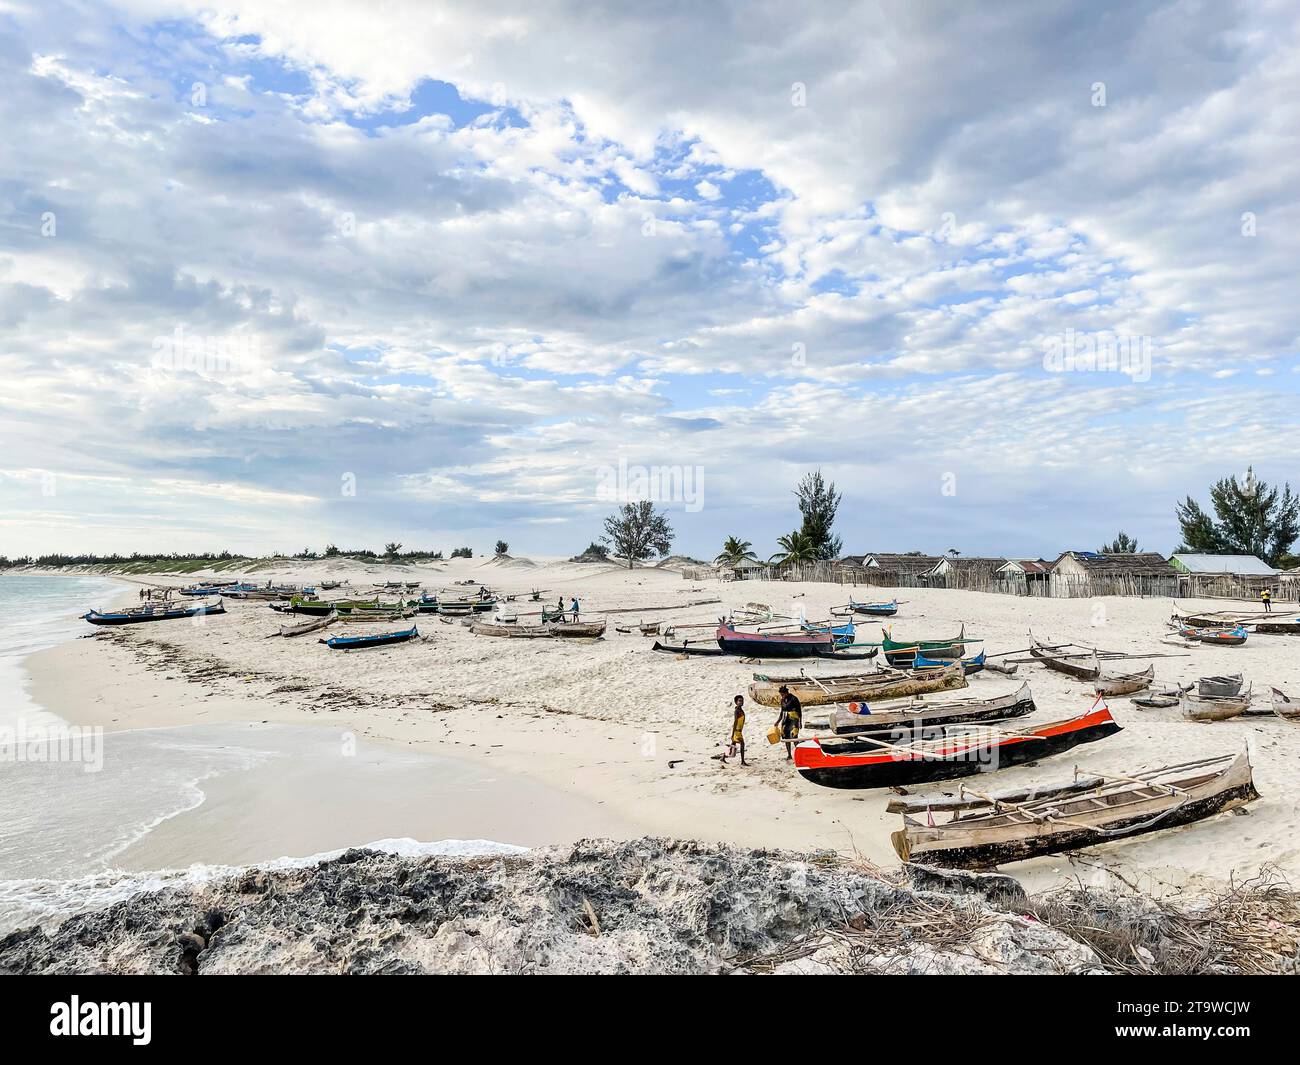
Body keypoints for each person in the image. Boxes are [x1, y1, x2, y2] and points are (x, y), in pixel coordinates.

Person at [774, 685, 802, 761]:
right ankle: (789, 755)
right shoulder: (782, 700)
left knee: (794, 737)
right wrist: (777, 721)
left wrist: (800, 722)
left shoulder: (794, 699)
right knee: (786, 738)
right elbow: (781, 712)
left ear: (786, 693)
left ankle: (800, 754)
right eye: (781, 695)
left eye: (782, 694)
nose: (782, 696)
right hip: (785, 720)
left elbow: (799, 711)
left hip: (794, 719)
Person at [722, 695, 747, 766]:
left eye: (742, 700)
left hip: (739, 730)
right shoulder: (736, 711)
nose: (741, 702)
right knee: (742, 744)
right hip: (736, 731)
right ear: (736, 702)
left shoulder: (741, 710)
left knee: (733, 744)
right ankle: (742, 761)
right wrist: (733, 734)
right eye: (739, 701)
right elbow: (735, 722)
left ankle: (723, 757)